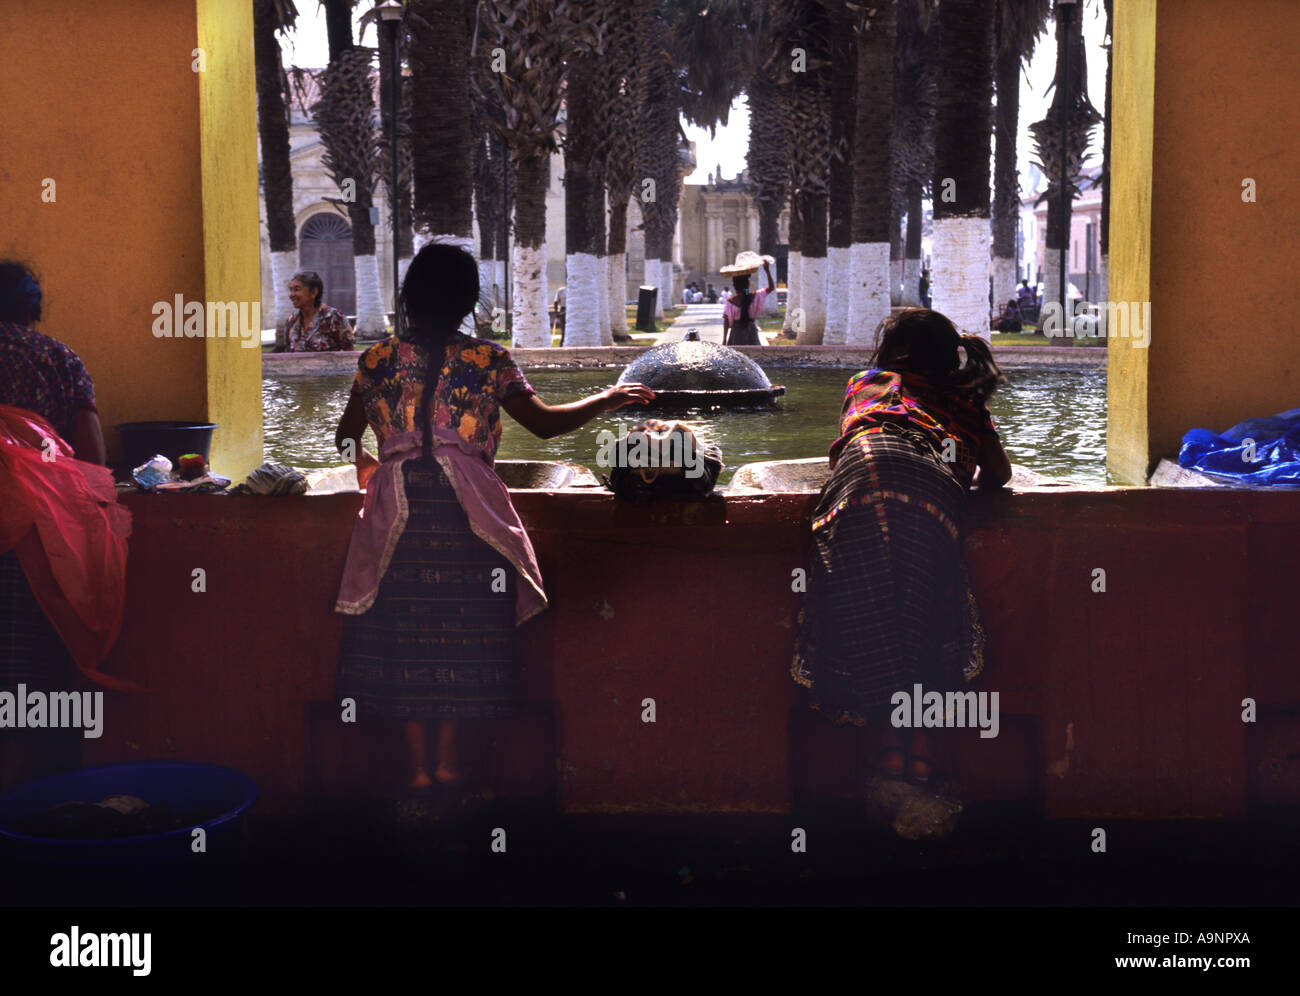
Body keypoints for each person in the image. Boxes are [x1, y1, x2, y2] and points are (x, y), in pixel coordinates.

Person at [333, 244, 652, 799]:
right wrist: (607, 398)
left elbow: (343, 435)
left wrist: (364, 463)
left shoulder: (376, 359)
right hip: (466, 513)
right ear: (465, 299)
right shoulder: (488, 359)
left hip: (396, 514)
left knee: (406, 637)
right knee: (460, 633)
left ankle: (415, 768)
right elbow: (546, 427)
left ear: (411, 296)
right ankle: (450, 764)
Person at [791, 308, 1011, 837]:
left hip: (863, 474)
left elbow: (856, 434)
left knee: (870, 621)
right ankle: (919, 768)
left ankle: (891, 765)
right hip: (929, 489)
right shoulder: (966, 402)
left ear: (895, 353)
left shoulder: (869, 383)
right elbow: (999, 477)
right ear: (947, 356)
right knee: (923, 624)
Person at [0, 262, 133, 790]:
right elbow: (95, 458)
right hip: (39, 530)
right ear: (34, 309)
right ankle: (42, 812)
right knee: (38, 672)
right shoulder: (58, 357)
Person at [282, 270, 353, 352]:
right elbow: (288, 354)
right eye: (291, 290)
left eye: (297, 289)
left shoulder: (333, 318)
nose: (291, 295)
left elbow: (349, 353)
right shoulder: (291, 321)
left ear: (313, 292)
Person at [720, 251, 776, 347]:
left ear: (734, 286)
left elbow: (726, 321)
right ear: (747, 285)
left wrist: (724, 339)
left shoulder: (731, 302)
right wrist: (767, 270)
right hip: (751, 331)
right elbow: (771, 288)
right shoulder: (755, 296)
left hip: (736, 333)